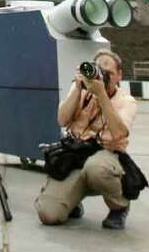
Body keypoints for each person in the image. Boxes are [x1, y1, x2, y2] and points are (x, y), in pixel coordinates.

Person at [36, 49, 140, 231]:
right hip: (76, 156)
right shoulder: (81, 91)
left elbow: (119, 133)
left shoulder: (126, 101)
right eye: (100, 71)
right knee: (48, 214)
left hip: (106, 155)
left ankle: (119, 206)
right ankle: (72, 200)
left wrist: (102, 96)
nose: (104, 77)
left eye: (110, 73)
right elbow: (62, 120)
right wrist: (77, 88)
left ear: (119, 76)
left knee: (96, 168)